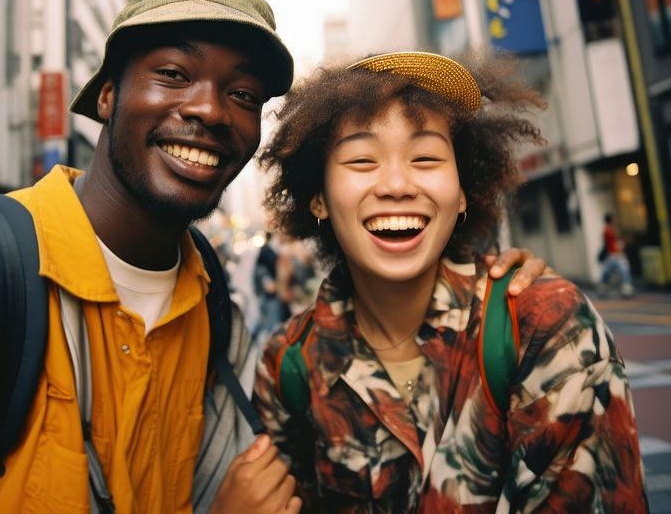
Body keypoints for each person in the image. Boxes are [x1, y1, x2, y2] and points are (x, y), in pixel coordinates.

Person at [0, 0, 551, 514]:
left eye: (242, 93)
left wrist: (493, 291)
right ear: (107, 94)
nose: (210, 109)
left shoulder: (218, 322)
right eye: (174, 73)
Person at [254, 51, 648, 511]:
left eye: (425, 158)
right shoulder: (287, 365)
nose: (397, 185)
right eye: (361, 160)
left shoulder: (544, 324)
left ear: (462, 193)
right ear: (318, 198)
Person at [600, 213, 635, 297]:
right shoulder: (610, 230)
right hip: (616, 254)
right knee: (623, 270)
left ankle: (603, 287)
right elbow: (615, 242)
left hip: (612, 254)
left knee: (607, 271)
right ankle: (626, 288)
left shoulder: (606, 230)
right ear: (611, 220)